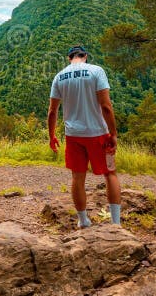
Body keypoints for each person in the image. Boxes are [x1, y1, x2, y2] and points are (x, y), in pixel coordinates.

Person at [48, 45, 121, 227]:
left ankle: (83, 220)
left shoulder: (59, 77)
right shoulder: (96, 71)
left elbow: (52, 111)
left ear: (69, 58)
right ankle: (115, 223)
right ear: (85, 56)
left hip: (73, 135)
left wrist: (52, 136)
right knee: (110, 174)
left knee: (77, 178)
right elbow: (106, 106)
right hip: (98, 133)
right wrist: (113, 133)